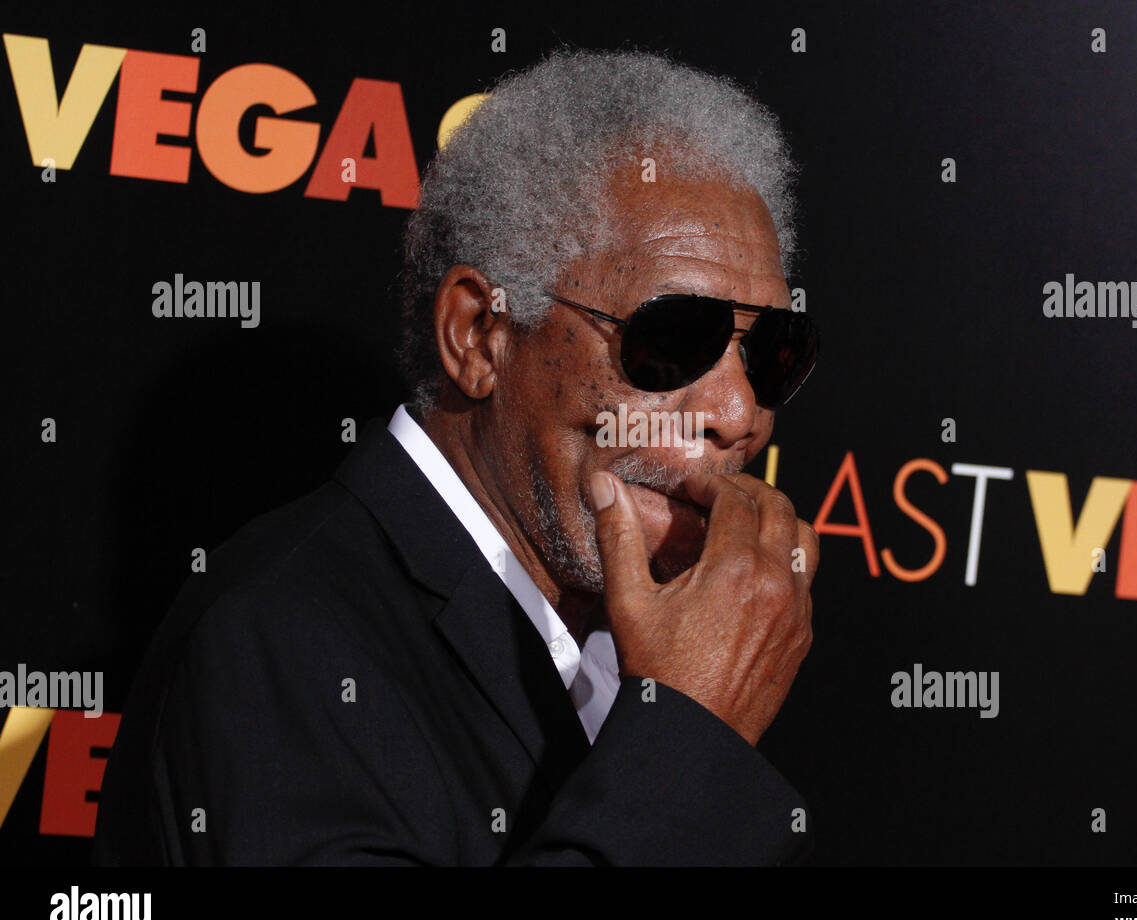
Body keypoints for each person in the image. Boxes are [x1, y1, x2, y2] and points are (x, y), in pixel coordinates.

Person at [93, 48, 821, 866]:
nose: (738, 413)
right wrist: (693, 736)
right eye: (671, 340)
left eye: (771, 353)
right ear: (479, 335)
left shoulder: (643, 642)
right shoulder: (280, 640)